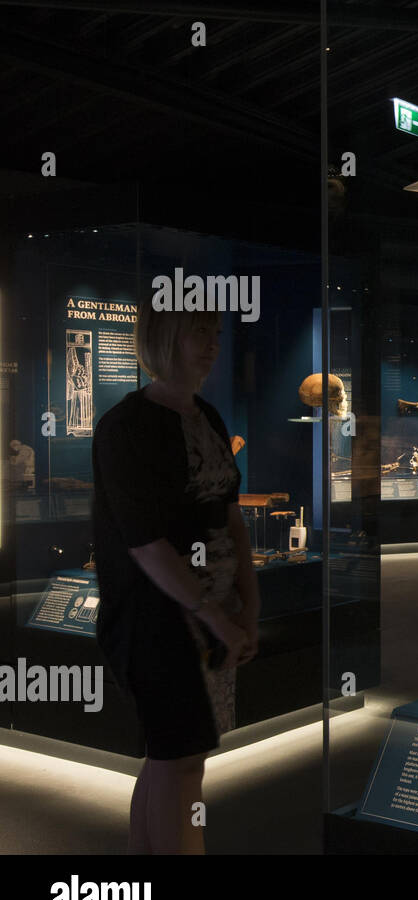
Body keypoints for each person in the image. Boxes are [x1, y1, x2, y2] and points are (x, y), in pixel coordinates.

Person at [92, 306, 259, 854]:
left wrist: (247, 607)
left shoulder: (207, 415)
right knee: (181, 761)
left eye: (216, 334)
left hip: (210, 615)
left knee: (175, 758)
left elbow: (230, 515)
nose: (212, 344)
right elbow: (144, 543)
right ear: (165, 339)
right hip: (156, 616)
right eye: (198, 333)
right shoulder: (126, 426)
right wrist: (216, 616)